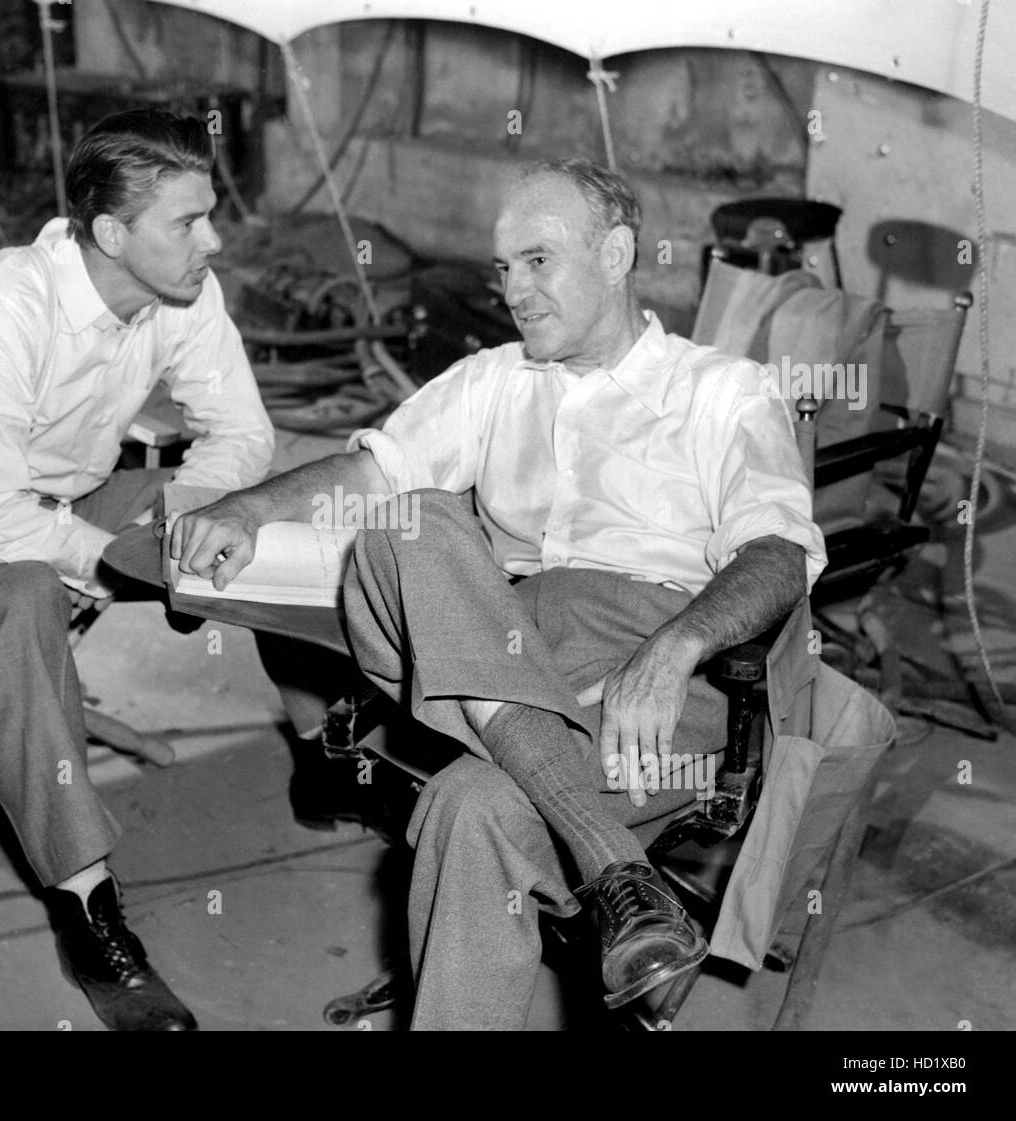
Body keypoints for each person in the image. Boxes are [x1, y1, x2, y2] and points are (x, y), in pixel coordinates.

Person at [170, 157, 827, 1029]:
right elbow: (373, 472)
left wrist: (673, 648)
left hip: (646, 688)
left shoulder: (721, 391)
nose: (514, 289)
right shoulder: (492, 380)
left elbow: (780, 553)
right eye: (503, 268)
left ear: (619, 252)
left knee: (467, 805)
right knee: (413, 520)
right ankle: (613, 867)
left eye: (538, 260)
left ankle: (587, 855)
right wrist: (249, 507)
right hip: (498, 645)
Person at [0, 108, 274, 1031]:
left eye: (209, 213)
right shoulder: (4, 306)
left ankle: (331, 745)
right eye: (188, 222)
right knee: (25, 592)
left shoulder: (183, 292)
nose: (213, 240)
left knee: (271, 507)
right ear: (110, 234)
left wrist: (184, 513)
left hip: (69, 504)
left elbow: (243, 435)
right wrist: (107, 556)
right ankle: (89, 913)